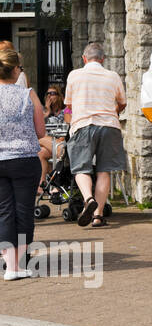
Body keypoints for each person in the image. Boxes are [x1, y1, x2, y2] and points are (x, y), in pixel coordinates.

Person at [64, 42, 126, 228]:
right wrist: (111, 111)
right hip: (109, 125)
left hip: (83, 125)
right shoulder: (112, 76)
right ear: (103, 59)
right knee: (104, 170)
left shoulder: (74, 75)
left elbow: (70, 105)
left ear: (84, 58)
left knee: (81, 169)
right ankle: (98, 216)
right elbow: (122, 103)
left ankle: (88, 198)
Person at [0, 45, 44, 280]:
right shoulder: (28, 94)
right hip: (25, 159)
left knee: (4, 211)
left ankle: (9, 267)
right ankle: (18, 265)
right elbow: (40, 130)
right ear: (16, 70)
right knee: (24, 211)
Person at [37, 83, 66, 187]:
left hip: (61, 143)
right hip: (49, 145)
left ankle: (59, 181)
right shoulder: (44, 112)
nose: (49, 96)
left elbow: (66, 131)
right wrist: (47, 111)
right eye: (48, 93)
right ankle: (43, 183)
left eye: (53, 93)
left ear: (59, 96)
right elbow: (39, 126)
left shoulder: (65, 111)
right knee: (40, 153)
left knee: (37, 138)